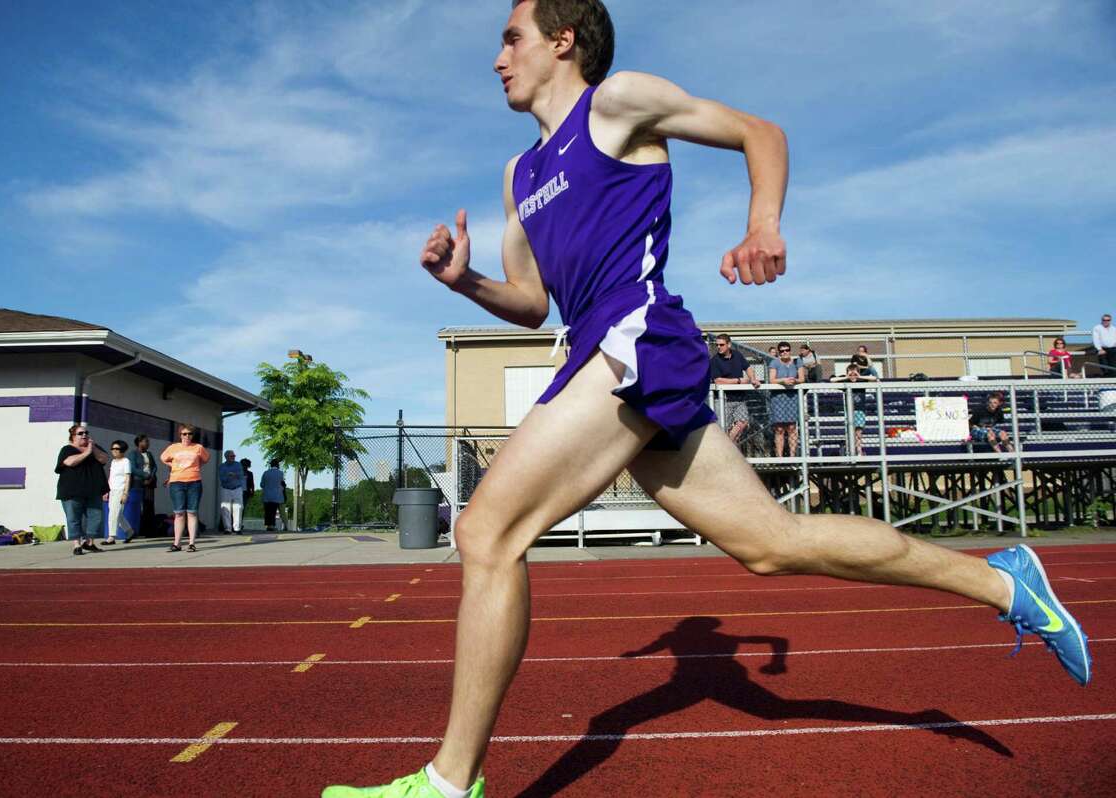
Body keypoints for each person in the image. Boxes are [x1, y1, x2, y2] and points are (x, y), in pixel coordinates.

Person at [323, 3, 1092, 795]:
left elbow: (763, 133)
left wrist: (763, 226)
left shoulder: (617, 102)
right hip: (596, 348)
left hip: (639, 338)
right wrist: (466, 283)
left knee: (487, 530)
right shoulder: (519, 175)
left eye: (510, 37)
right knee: (773, 544)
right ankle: (1006, 582)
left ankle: (451, 782)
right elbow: (530, 301)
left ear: (563, 40)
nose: (496, 58)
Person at [54, 424, 108, 556]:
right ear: (73, 437)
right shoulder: (67, 449)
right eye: (80, 433)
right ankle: (77, 545)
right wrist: (87, 453)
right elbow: (70, 462)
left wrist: (92, 448)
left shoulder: (94, 449)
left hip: (93, 491)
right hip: (72, 491)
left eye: (86, 433)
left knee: (96, 518)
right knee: (74, 518)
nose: (84, 435)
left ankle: (89, 543)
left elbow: (104, 459)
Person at [159, 424, 210, 552]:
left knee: (192, 512)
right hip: (176, 482)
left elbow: (206, 459)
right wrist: (173, 465)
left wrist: (196, 466)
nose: (187, 436)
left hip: (194, 482)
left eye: (189, 434)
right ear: (180, 435)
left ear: (193, 435)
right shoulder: (173, 448)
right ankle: (177, 543)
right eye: (184, 434)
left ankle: (191, 543)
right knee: (179, 513)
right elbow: (163, 458)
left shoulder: (198, 448)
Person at [709, 333, 759, 445]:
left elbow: (748, 368)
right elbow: (718, 380)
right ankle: (726, 449)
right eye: (717, 345)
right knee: (723, 428)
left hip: (739, 398)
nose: (718, 347)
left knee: (743, 422)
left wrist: (753, 379)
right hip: (723, 400)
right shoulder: (714, 360)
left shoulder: (737, 355)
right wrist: (739, 381)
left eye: (721, 345)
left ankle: (728, 444)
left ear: (729, 345)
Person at [830, 363, 877, 455]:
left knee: (858, 432)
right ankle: (851, 451)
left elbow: (874, 378)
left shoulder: (861, 382)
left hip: (860, 410)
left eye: (854, 374)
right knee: (850, 432)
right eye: (851, 375)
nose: (853, 377)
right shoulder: (846, 382)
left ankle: (859, 452)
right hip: (849, 411)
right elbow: (832, 380)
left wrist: (859, 376)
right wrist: (846, 377)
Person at [768, 341, 805, 457]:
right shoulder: (774, 362)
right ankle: (779, 456)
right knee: (779, 428)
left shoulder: (797, 361)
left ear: (790, 350)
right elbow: (772, 380)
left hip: (792, 397)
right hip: (778, 397)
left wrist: (794, 380)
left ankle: (792, 455)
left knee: (792, 427)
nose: (785, 352)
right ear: (779, 352)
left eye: (787, 350)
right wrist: (783, 380)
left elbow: (802, 378)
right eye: (782, 351)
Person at [101, 439, 137, 544]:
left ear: (122, 450)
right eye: (113, 448)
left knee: (113, 513)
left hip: (121, 490)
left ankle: (111, 536)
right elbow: (111, 477)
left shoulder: (126, 461)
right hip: (112, 490)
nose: (114, 450)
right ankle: (130, 531)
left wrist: (125, 493)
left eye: (117, 449)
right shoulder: (113, 462)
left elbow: (128, 477)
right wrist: (106, 491)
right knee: (117, 514)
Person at [132, 434, 158, 526]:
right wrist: (145, 476)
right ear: (139, 443)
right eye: (146, 441)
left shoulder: (149, 454)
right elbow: (133, 468)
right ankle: (137, 527)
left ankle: (149, 529)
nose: (148, 443)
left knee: (149, 505)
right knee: (138, 505)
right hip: (138, 482)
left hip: (150, 482)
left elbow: (154, 466)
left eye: (148, 441)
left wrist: (151, 477)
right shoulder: (133, 454)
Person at [218, 450, 246, 534]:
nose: (233, 457)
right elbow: (222, 478)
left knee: (238, 507)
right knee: (225, 508)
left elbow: (240, 475)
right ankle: (227, 528)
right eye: (231, 456)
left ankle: (237, 528)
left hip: (237, 488)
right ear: (226, 457)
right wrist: (229, 476)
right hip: (226, 488)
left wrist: (234, 475)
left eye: (234, 456)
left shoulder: (238, 465)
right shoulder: (222, 466)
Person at [260, 459, 286, 531]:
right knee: (273, 511)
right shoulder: (280, 473)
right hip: (276, 495)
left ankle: (268, 525)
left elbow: (262, 484)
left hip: (267, 495)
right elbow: (281, 483)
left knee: (267, 511)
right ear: (277, 465)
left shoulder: (265, 473)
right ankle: (272, 525)